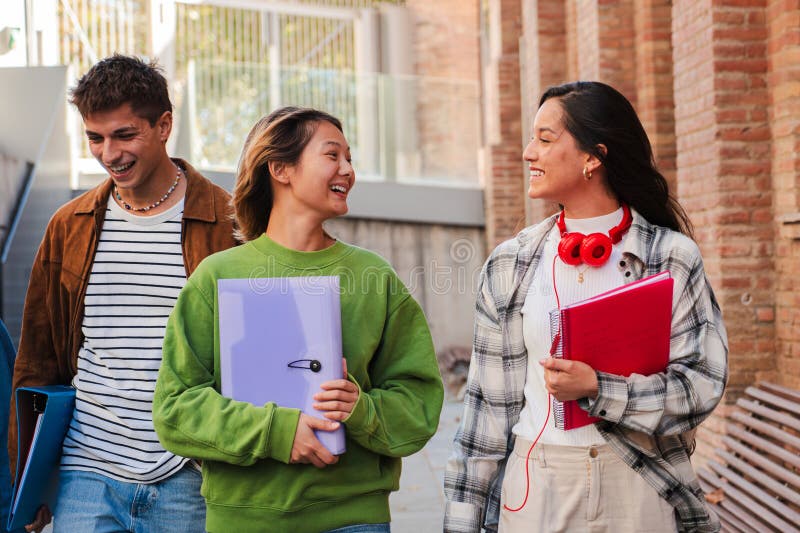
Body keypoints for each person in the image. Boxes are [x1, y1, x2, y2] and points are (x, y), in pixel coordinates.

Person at [443, 81, 728, 533]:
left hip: (639, 483)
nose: (527, 153)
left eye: (545, 138)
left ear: (593, 157)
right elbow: (485, 416)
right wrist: (461, 522)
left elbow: (700, 387)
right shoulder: (510, 264)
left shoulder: (672, 257)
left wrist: (598, 388)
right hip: (537, 486)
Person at [152, 106, 444, 533]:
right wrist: (278, 432)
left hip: (353, 519)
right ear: (281, 168)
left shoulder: (373, 277)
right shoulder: (216, 277)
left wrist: (360, 409)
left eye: (349, 158)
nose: (348, 169)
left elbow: (419, 403)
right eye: (332, 156)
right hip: (243, 519)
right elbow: (175, 409)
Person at [9, 54, 237, 532]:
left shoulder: (228, 221)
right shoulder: (68, 226)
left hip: (188, 472)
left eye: (124, 134)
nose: (108, 153)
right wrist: (27, 483)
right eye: (95, 137)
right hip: (86, 469)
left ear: (164, 126)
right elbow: (38, 357)